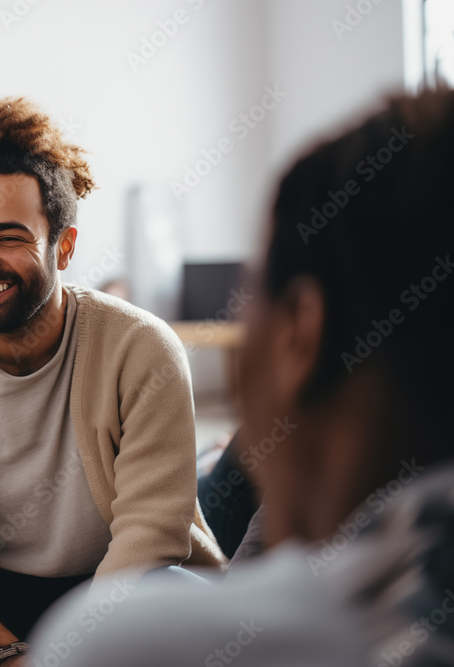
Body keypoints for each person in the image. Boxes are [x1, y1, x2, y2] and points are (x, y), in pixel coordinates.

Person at [29, 90, 454, 667]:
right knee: (235, 460)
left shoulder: (126, 645)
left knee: (236, 464)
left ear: (299, 332)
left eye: (251, 292)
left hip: (215, 520)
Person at [0, 97, 225, 667]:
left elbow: (150, 535)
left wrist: (71, 653)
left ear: (65, 245)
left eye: (8, 237)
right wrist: (4, 654)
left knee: (211, 630)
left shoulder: (142, 348)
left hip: (121, 588)